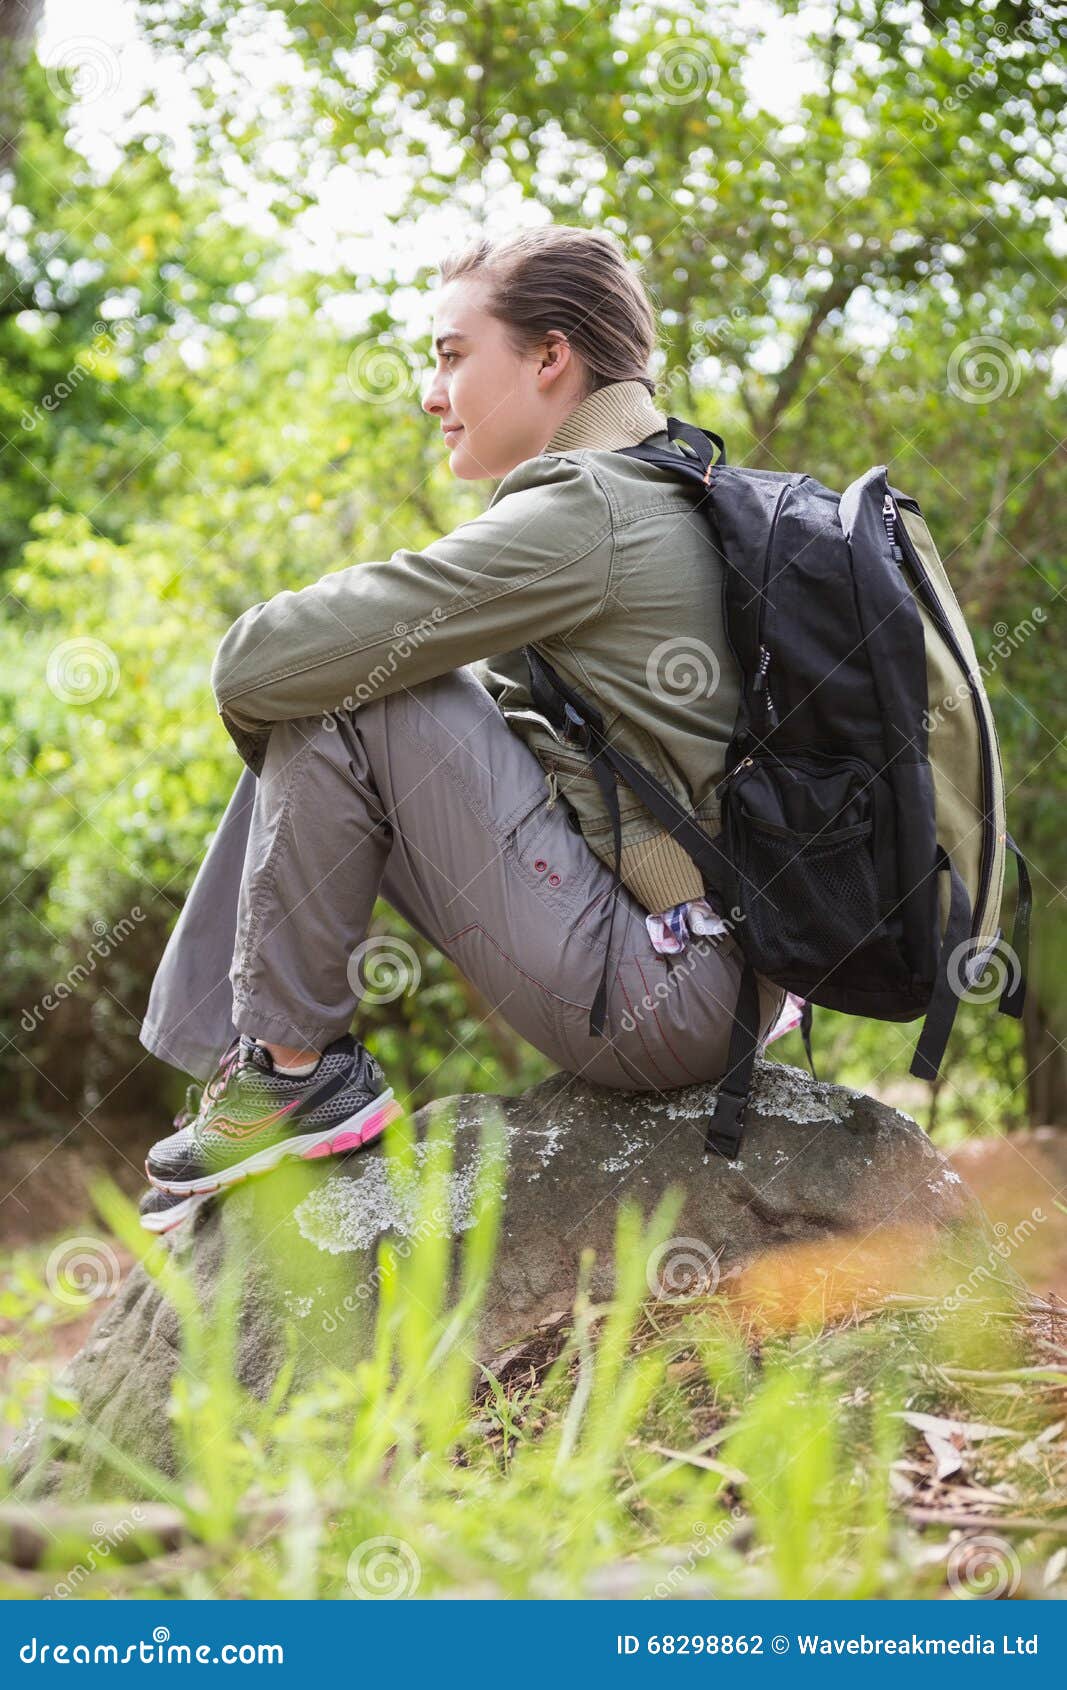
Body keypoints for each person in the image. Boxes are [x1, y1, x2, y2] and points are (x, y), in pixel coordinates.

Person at [137, 224, 796, 1233]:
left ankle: (291, 1069)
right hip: (716, 979)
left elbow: (259, 663)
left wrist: (283, 733)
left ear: (547, 358)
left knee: (352, 685)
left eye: (449, 354)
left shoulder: (587, 506)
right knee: (370, 682)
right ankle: (274, 1062)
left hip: (667, 994)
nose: (428, 391)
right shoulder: (672, 477)